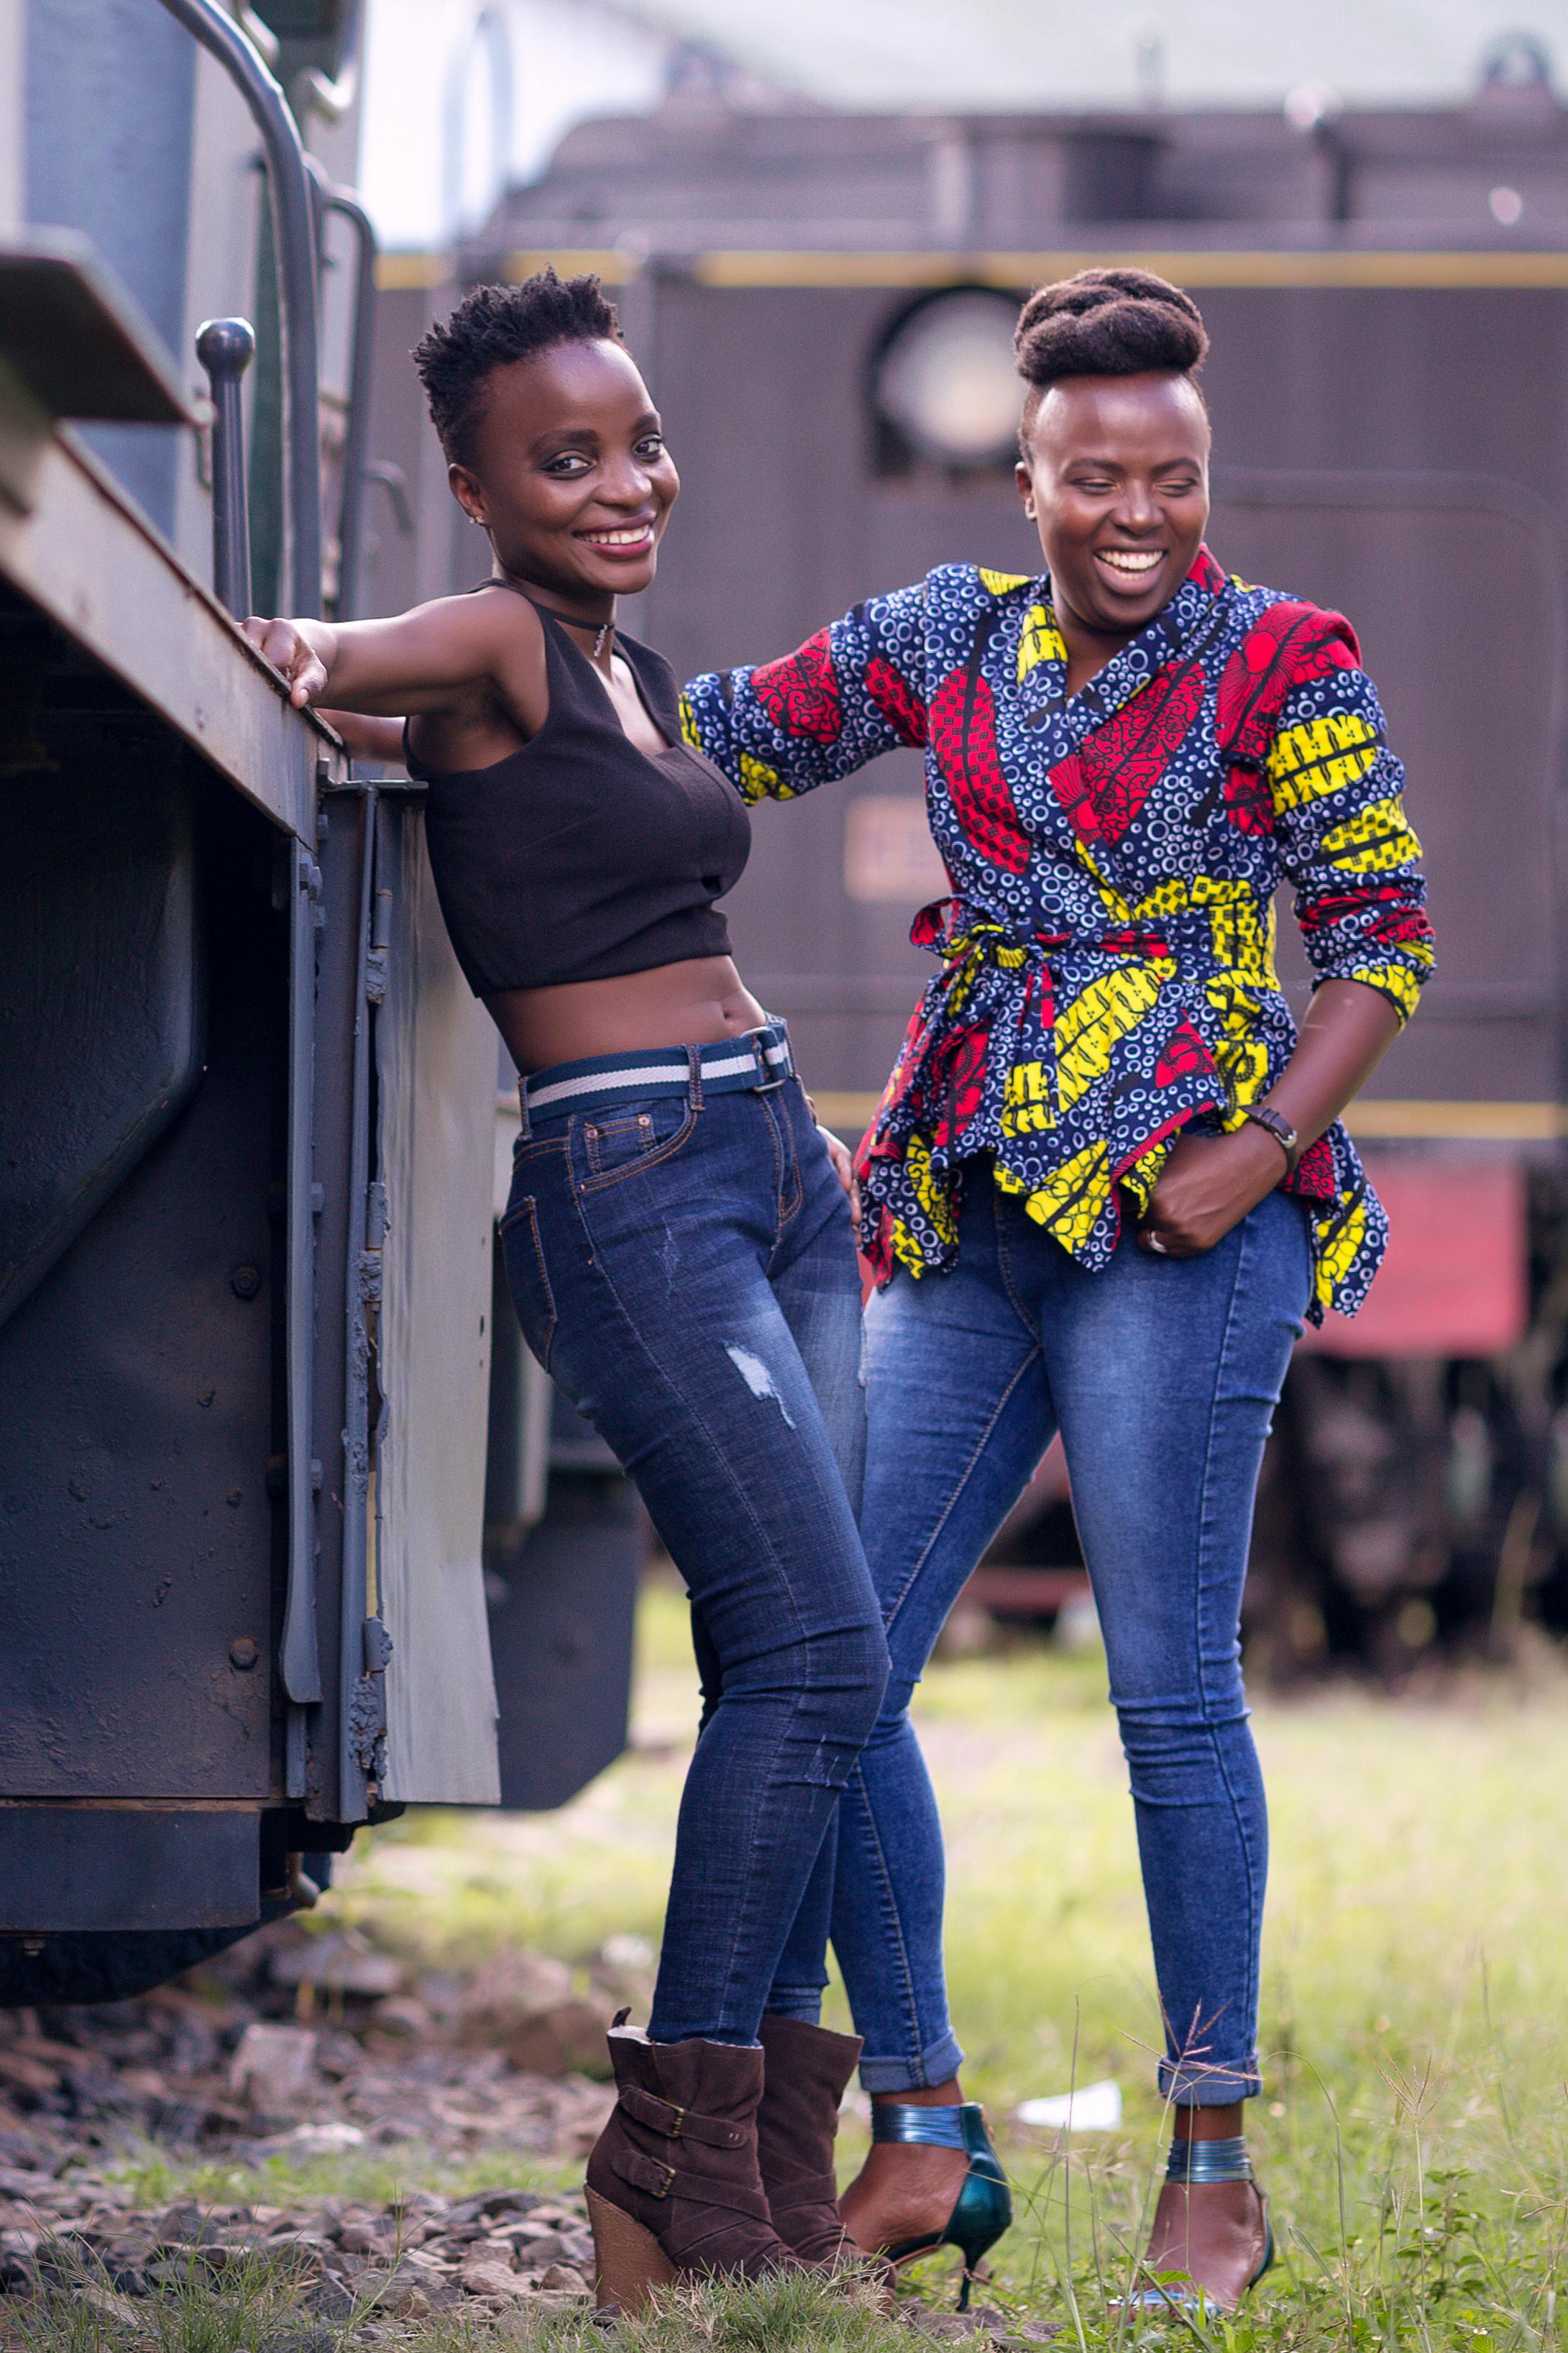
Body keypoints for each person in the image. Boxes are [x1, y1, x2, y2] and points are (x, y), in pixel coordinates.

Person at [680, 268, 1434, 2313]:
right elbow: (724, 739)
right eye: (1094, 478)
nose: (1138, 515)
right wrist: (485, 681)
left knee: (1166, 1693)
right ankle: (922, 2128)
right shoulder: (943, 640)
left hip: (1192, 1221)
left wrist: (1260, 1148)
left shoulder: (1284, 659)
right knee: (828, 1661)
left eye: (1174, 480)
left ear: (1207, 477)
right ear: (1022, 475)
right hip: (976, 1204)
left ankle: (1211, 2156)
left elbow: (1384, 933)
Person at [243, 270, 891, 2314]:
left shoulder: (627, 660)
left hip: (781, 1166)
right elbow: (348, 658)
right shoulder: (505, 643)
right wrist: (309, 654)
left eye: (641, 443)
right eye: (569, 458)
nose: (628, 484)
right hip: (632, 1190)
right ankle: (664, 2168)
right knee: (806, 1656)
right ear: (477, 489)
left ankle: (771, 2174)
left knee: (828, 1665)